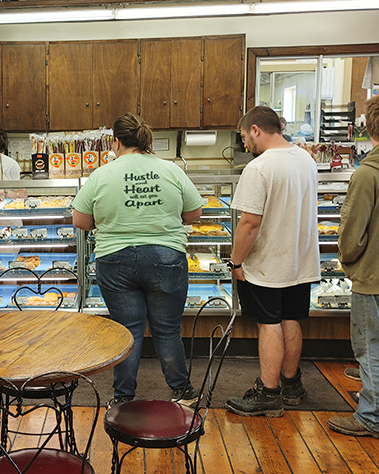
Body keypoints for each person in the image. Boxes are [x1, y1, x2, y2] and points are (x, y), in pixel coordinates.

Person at [72, 112, 204, 408]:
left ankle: (123, 398)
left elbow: (80, 221)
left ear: (116, 142)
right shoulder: (169, 169)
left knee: (127, 330)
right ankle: (182, 392)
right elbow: (195, 213)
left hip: (115, 260)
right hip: (166, 257)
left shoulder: (102, 174)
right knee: (167, 329)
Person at [225, 106, 320, 417]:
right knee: (291, 319)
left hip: (268, 264)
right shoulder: (305, 158)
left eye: (243, 137)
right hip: (300, 258)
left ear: (256, 130)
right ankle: (292, 385)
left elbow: (249, 224)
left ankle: (268, 392)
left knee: (269, 325)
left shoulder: (259, 168)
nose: (244, 144)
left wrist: (236, 262)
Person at [328, 93, 379, 439]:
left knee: (371, 347)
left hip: (374, 277)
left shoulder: (368, 174)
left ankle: (371, 416)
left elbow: (352, 235)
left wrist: (347, 261)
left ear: (368, 126)